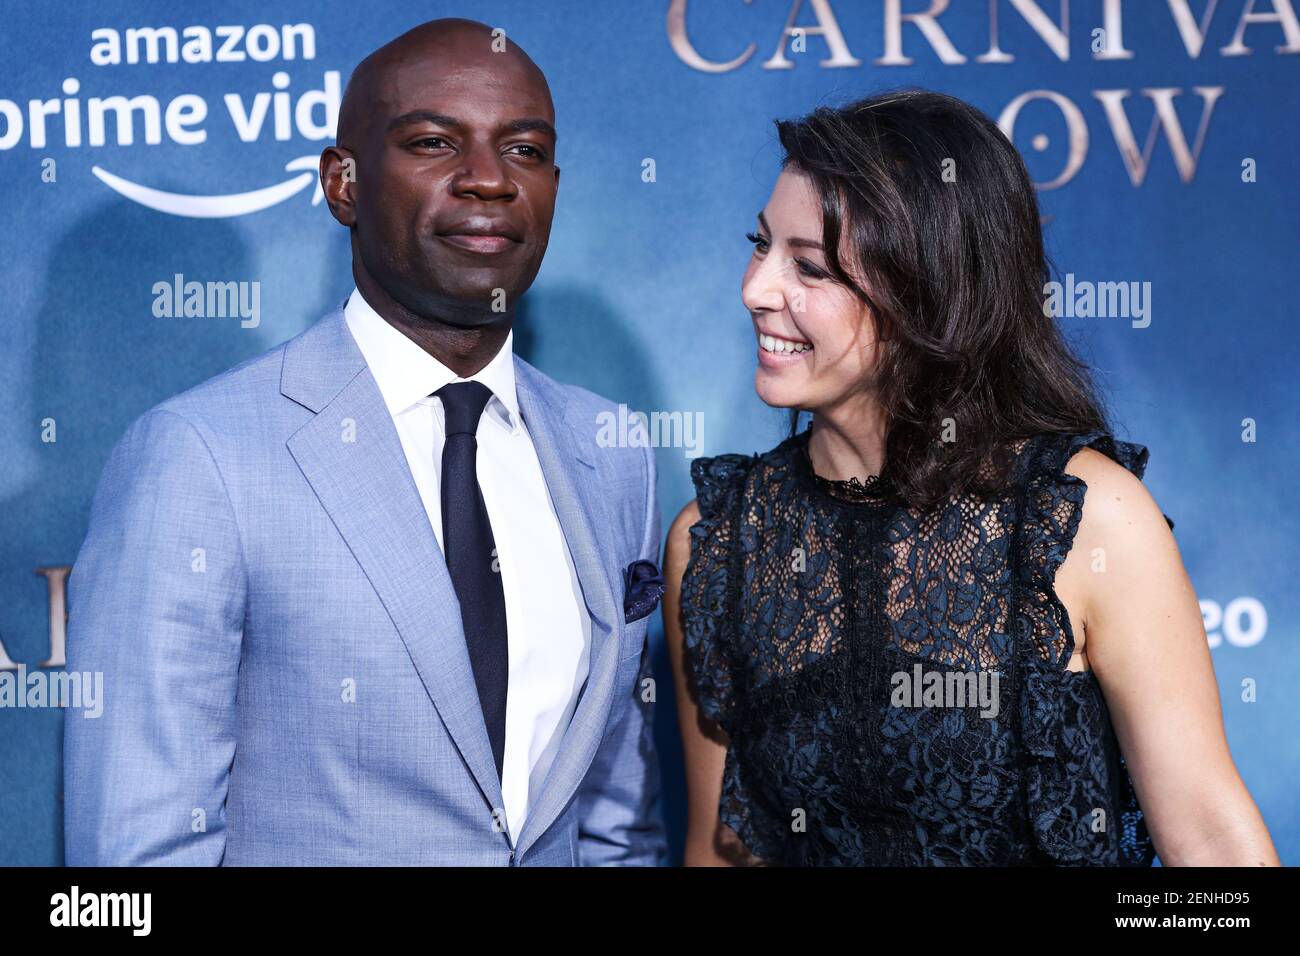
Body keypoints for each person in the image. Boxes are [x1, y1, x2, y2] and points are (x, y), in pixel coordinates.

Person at [64, 18, 665, 866]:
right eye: (433, 142)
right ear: (342, 183)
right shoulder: (201, 454)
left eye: (524, 150)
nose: (489, 180)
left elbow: (614, 814)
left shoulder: (613, 452)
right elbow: (140, 851)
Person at [663, 90, 1279, 866]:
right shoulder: (719, 541)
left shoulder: (1084, 522)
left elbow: (1218, 863)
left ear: (929, 289)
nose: (756, 290)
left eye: (809, 268)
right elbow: (720, 853)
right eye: (760, 246)